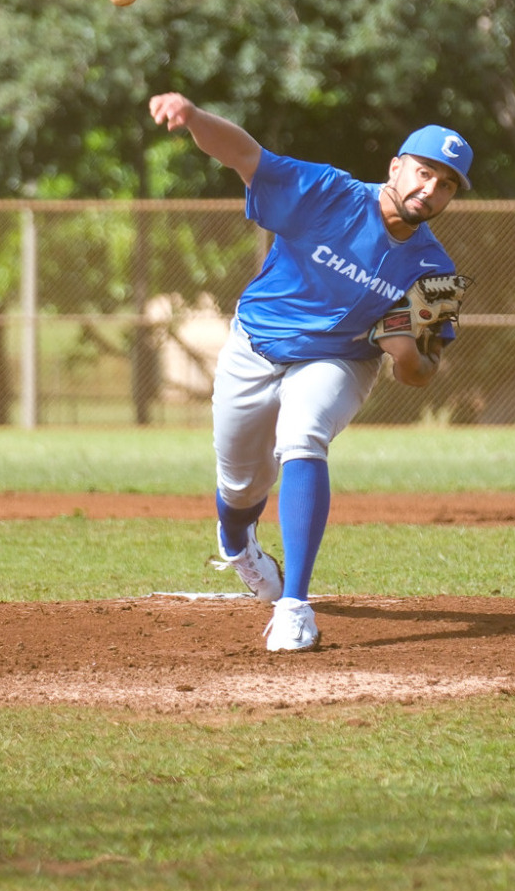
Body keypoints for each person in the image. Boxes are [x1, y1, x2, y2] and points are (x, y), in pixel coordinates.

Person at [149, 93, 471, 652]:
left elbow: (423, 373)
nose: (430, 189)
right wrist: (194, 117)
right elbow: (247, 156)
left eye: (446, 184)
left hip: (341, 360)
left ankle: (295, 606)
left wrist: (405, 353)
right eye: (424, 172)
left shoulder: (435, 272)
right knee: (240, 483)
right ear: (396, 166)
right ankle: (238, 543)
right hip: (255, 344)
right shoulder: (329, 193)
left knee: (302, 436)